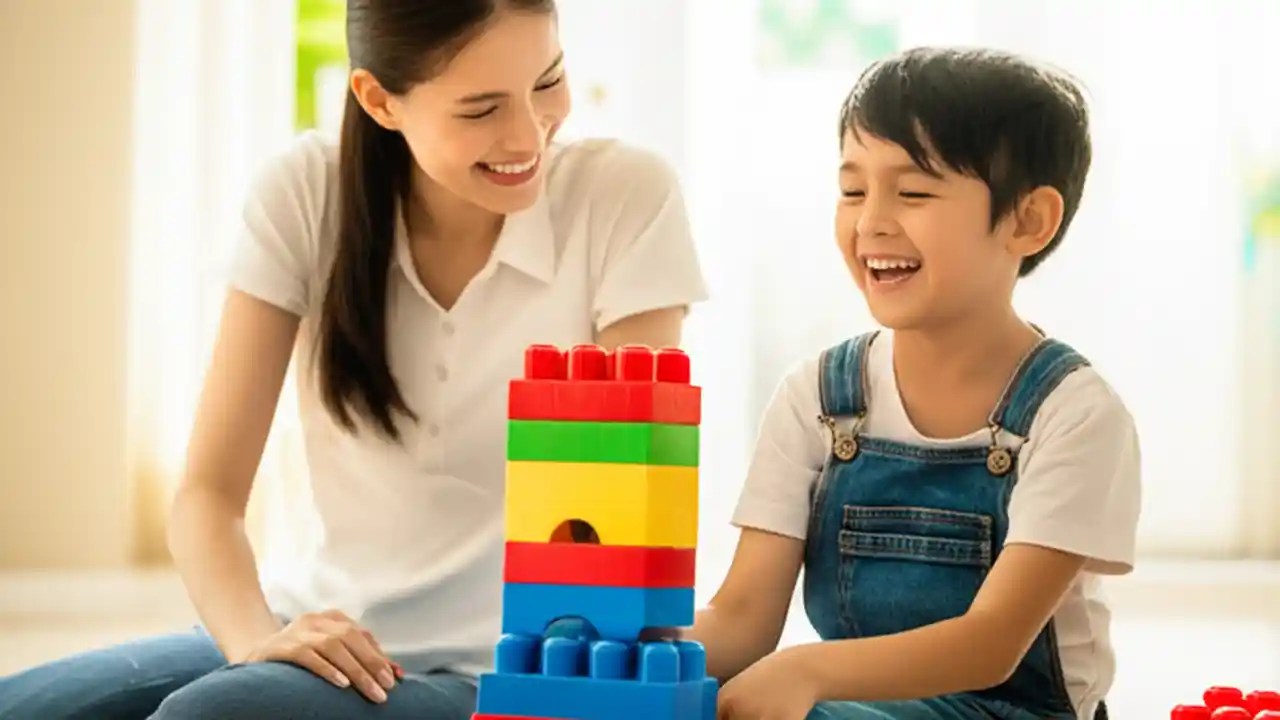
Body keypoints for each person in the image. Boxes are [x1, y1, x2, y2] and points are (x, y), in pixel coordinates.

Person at [0, 1, 706, 718]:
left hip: (506, 666)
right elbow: (207, 496)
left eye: (547, 81)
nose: (530, 133)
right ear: (379, 100)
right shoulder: (307, 190)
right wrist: (256, 640)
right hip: (320, 629)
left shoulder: (624, 197)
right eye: (481, 108)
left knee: (211, 714)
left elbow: (628, 518)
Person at [682, 47, 1140, 720]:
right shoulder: (817, 398)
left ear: (1028, 220)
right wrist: (631, 662)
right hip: (859, 706)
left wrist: (805, 671)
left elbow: (991, 643)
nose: (871, 222)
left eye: (914, 192)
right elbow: (744, 618)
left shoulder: (1073, 413)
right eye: (853, 190)